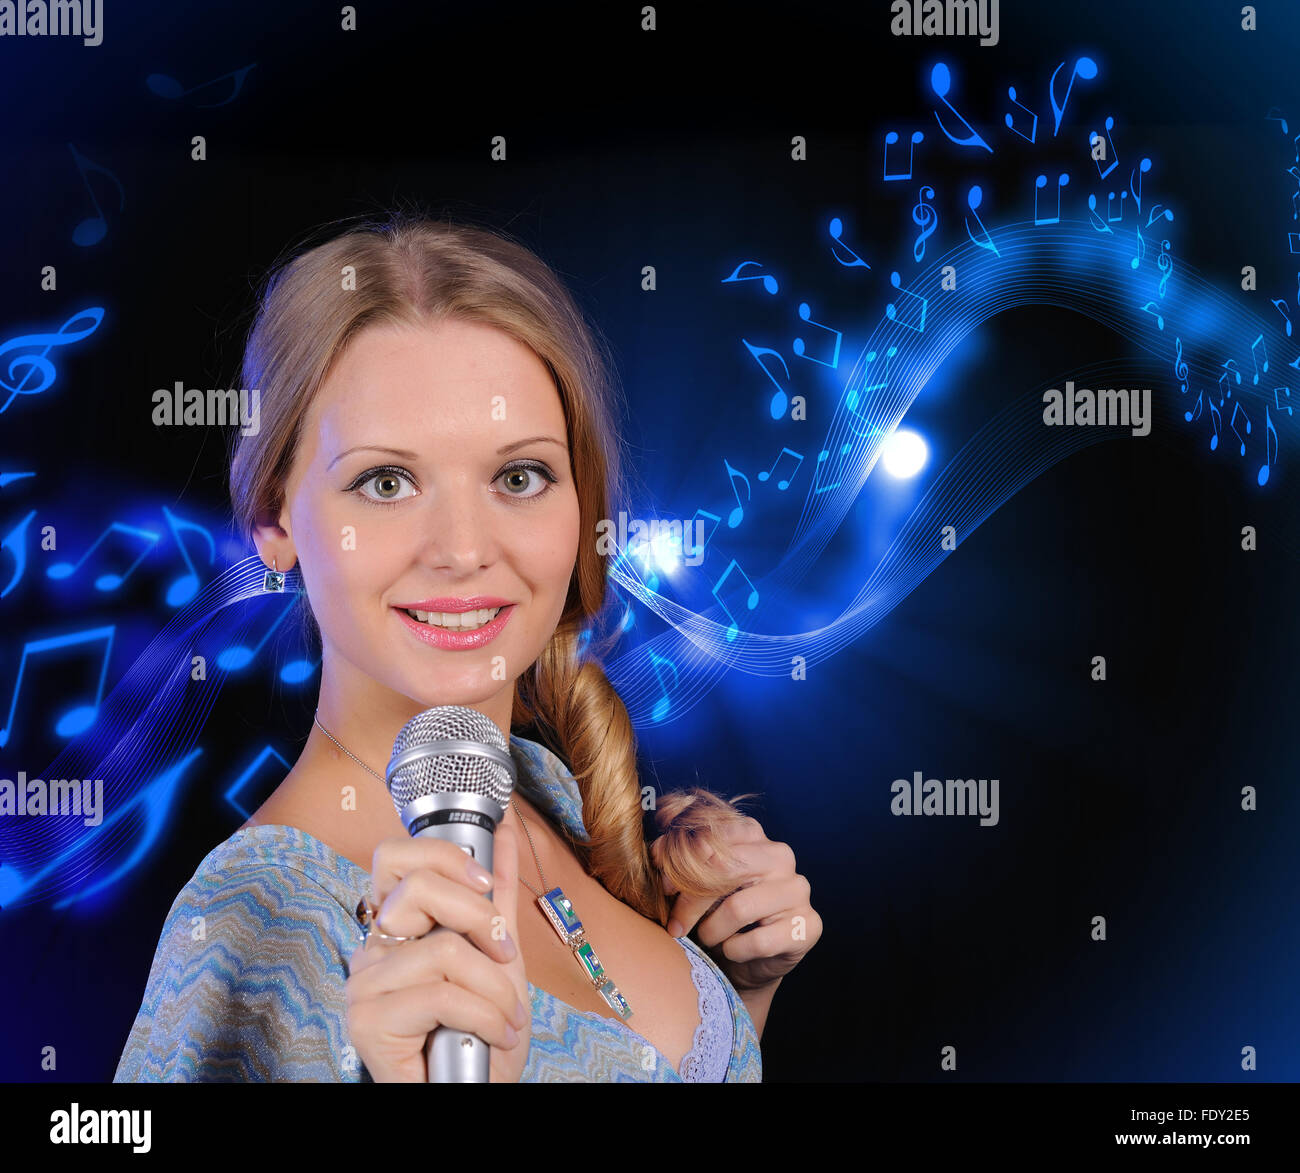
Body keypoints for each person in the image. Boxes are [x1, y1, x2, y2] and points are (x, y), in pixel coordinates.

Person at [114, 212, 821, 1082]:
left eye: (518, 477)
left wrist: (739, 991)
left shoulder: (544, 791)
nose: (461, 548)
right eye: (385, 481)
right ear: (273, 519)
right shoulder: (260, 917)